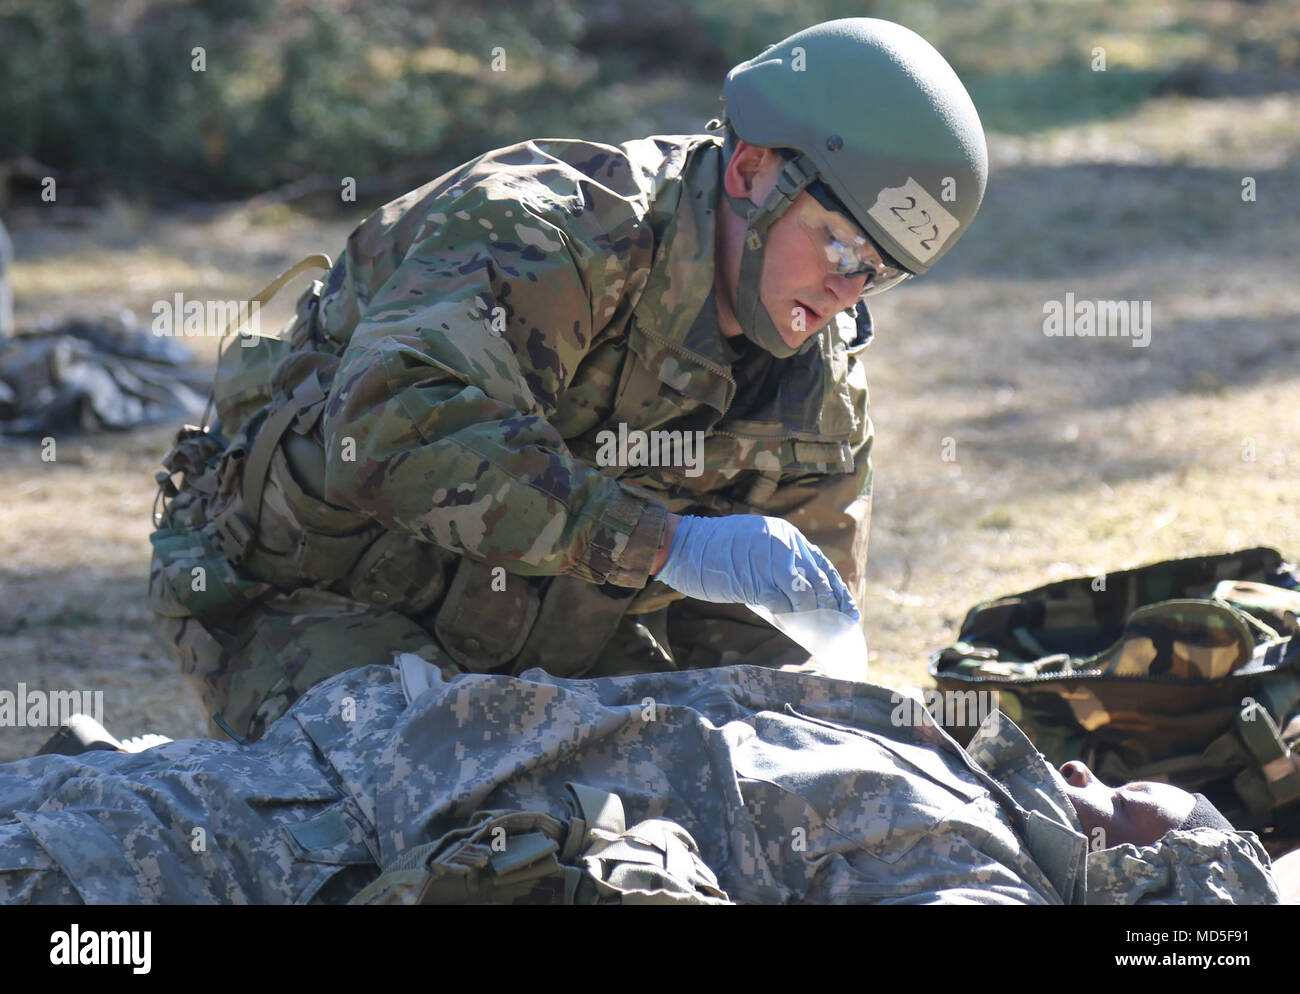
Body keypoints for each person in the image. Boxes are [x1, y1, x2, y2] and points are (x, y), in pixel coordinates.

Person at [148, 17, 989, 742]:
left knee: (672, 825)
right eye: (842, 248)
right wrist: (669, 546)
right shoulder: (546, 233)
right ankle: (107, 795)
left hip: (548, 637)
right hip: (323, 596)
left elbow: (781, 653)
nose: (847, 292)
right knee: (431, 830)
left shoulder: (818, 381)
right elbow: (389, 432)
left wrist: (825, 738)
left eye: (879, 272)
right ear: (751, 172)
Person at [0, 657, 1280, 905]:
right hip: (340, 761)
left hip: (314, 842)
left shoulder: (981, 872)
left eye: (1146, 806)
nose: (1093, 773)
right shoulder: (974, 782)